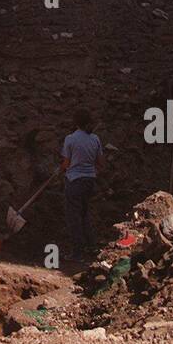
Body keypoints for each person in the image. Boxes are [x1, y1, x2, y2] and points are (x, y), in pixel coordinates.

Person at [61, 109, 104, 262]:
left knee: (74, 217)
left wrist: (63, 168)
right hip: (90, 181)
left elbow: (66, 163)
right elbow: (100, 163)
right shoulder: (95, 139)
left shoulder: (70, 139)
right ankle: (91, 247)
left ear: (75, 122)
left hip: (74, 181)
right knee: (85, 214)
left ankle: (77, 253)